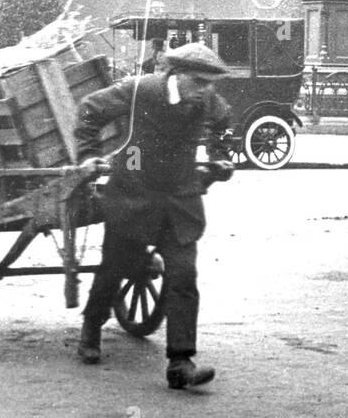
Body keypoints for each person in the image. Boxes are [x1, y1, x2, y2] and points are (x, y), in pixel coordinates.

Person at [75, 42, 232, 390]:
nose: (205, 91)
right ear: (176, 74)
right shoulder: (139, 90)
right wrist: (87, 155)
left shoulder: (206, 100)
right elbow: (89, 109)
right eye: (198, 82)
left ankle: (180, 362)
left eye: (210, 84)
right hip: (132, 198)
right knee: (114, 269)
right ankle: (91, 326)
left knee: (184, 276)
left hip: (180, 204)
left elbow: (224, 122)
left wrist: (221, 157)